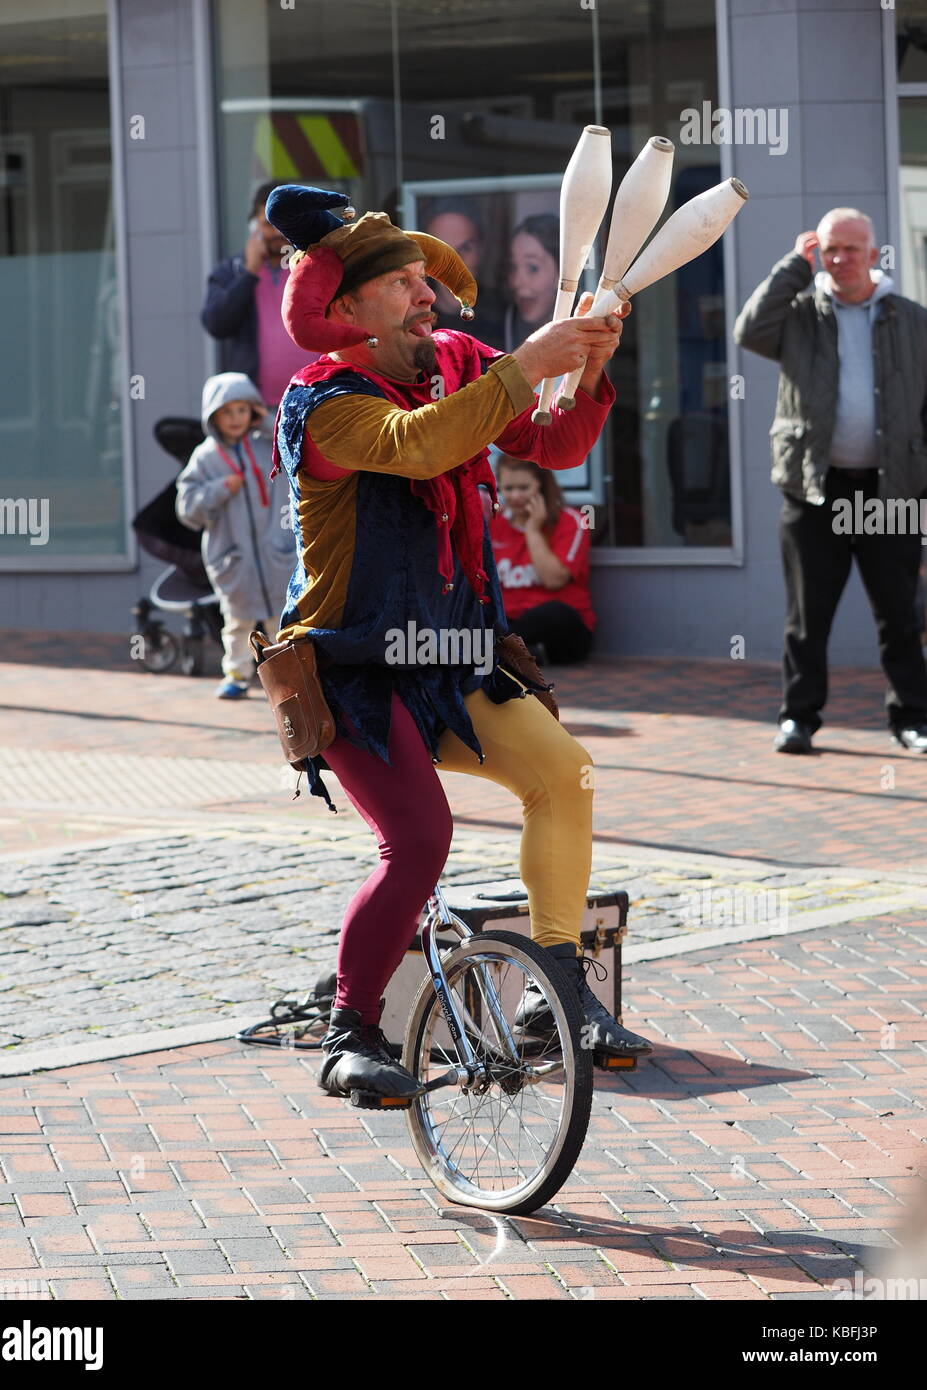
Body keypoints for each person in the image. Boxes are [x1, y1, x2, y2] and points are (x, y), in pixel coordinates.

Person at [265, 183, 652, 1103]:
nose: (426, 293)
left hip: (451, 655)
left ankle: (553, 993)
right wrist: (522, 364)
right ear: (346, 311)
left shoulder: (456, 359)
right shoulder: (322, 403)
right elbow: (419, 445)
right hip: (353, 667)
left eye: (421, 279)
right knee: (419, 839)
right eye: (402, 283)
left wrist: (590, 362)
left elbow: (550, 441)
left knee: (564, 774)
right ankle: (350, 1030)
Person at [735, 207, 927, 754]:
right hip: (814, 488)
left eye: (851, 249)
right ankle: (798, 718)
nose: (840, 259)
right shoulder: (800, 314)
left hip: (892, 491)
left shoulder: (912, 320)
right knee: (807, 617)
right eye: (830, 248)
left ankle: (913, 719)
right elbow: (748, 329)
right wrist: (794, 267)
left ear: (873, 254)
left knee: (899, 614)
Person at [176, 372, 295, 699]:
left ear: (253, 411)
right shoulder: (206, 457)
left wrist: (266, 419)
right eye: (227, 412)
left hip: (276, 553)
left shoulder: (265, 444)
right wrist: (218, 490)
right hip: (233, 558)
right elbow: (187, 509)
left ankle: (288, 680)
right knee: (238, 623)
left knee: (281, 621)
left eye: (242, 410)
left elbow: (290, 440)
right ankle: (236, 674)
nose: (235, 418)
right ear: (212, 415)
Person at [200, 182, 315, 408]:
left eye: (285, 222)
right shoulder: (232, 271)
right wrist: (250, 272)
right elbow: (216, 324)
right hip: (257, 412)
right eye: (269, 224)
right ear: (254, 226)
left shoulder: (315, 265)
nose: (278, 232)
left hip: (316, 402)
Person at [490, 455, 595, 664]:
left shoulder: (572, 521)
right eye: (508, 489)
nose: (515, 496)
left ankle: (501, 652)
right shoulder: (494, 524)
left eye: (523, 487)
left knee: (555, 613)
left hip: (561, 632)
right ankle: (516, 653)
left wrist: (532, 530)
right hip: (509, 621)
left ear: (541, 484)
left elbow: (554, 580)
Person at [422, 197, 505, 347]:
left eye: (465, 249)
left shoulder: (504, 315)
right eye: (441, 253)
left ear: (481, 249)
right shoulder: (416, 318)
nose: (455, 264)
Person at [503, 213, 560, 351]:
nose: (516, 282)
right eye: (513, 267)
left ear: (562, 273)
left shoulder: (588, 325)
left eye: (532, 268)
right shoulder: (505, 325)